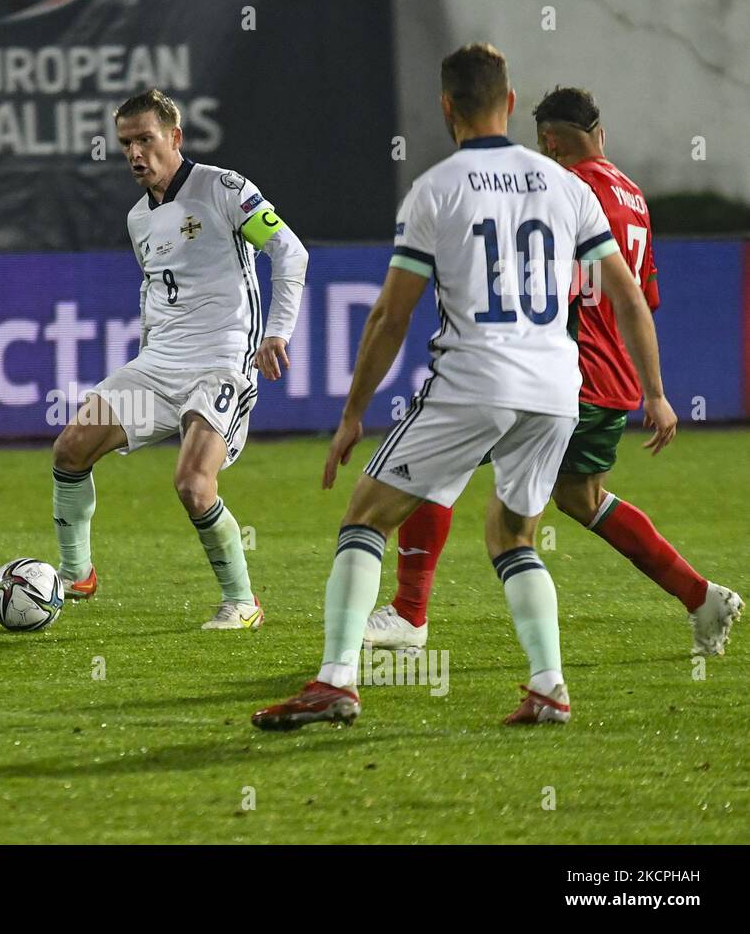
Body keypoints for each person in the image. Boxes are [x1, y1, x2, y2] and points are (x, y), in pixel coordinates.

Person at [252, 43, 677, 731]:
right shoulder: (568, 186)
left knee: (366, 514)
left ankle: (335, 681)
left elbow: (392, 314)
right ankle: (549, 687)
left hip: (476, 378)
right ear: (510, 104)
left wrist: (353, 413)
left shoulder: (436, 190)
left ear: (446, 107)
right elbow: (626, 297)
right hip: (554, 388)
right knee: (513, 537)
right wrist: (655, 390)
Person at [363, 85, 741, 656]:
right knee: (581, 500)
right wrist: (656, 391)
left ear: (548, 143)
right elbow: (641, 300)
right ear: (601, 136)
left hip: (555, 373)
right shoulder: (634, 197)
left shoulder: (561, 192)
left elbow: (535, 290)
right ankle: (701, 596)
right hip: (613, 381)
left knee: (439, 466)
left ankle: (411, 618)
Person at [49, 88, 308, 629]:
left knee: (193, 485)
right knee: (71, 448)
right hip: (159, 364)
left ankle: (242, 603)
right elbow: (157, 293)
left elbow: (288, 251)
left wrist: (277, 332)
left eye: (145, 140)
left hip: (221, 361)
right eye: (126, 145)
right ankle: (76, 575)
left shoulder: (223, 189)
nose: (135, 154)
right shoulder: (138, 219)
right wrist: (145, 363)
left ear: (175, 137)